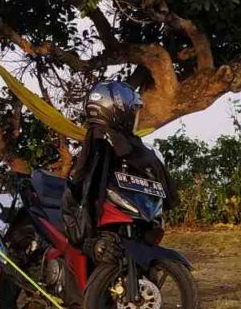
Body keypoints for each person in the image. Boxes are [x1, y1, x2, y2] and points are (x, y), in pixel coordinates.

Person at [60, 79, 175, 252]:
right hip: (90, 220)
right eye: (133, 111)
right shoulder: (104, 143)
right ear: (120, 110)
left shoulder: (125, 144)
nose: (135, 117)